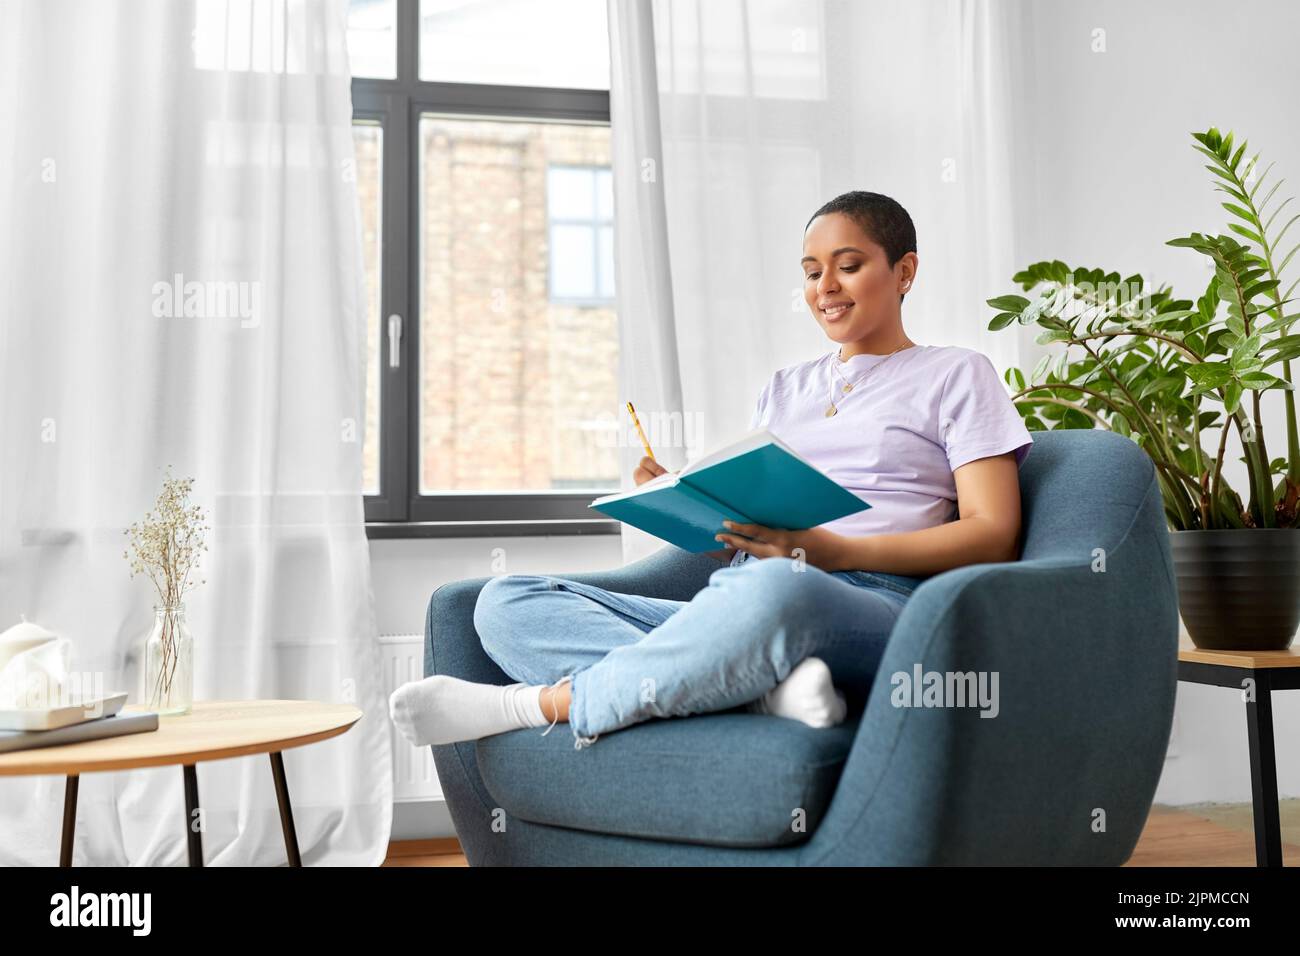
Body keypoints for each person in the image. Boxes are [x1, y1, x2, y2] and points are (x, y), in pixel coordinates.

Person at [390, 190, 1033, 751]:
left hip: (860, 598)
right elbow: (760, 518)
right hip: (734, 603)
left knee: (781, 589)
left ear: (905, 271)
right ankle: (752, 692)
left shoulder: (956, 374)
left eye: (848, 266)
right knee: (505, 601)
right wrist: (690, 498)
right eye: (811, 273)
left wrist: (832, 553)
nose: (824, 288)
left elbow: (993, 532)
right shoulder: (785, 388)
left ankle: (528, 706)